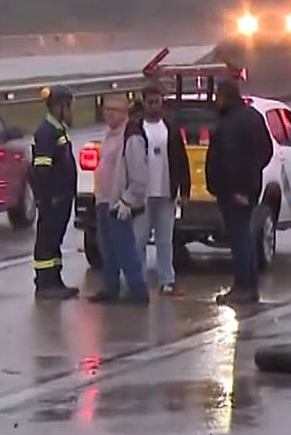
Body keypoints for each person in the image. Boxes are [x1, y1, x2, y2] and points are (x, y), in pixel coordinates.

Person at [203, 78, 274, 306]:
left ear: (224, 96)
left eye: (217, 95)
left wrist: (236, 188)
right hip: (251, 187)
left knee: (240, 239)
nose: (216, 100)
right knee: (245, 237)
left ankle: (243, 287)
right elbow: (266, 151)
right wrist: (253, 178)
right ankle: (248, 286)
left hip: (234, 190)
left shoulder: (230, 122)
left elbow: (230, 158)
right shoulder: (253, 117)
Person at [89, 97, 151, 304]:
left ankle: (138, 290)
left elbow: (139, 174)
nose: (110, 114)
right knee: (107, 248)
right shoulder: (109, 135)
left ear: (125, 112)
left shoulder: (131, 137)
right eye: (107, 110)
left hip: (119, 202)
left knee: (125, 247)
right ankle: (110, 287)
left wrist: (128, 200)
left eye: (114, 110)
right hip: (104, 200)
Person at [135, 85, 192, 295]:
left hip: (166, 192)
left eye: (157, 101)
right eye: (150, 102)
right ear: (144, 103)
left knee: (165, 240)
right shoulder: (136, 128)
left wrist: (184, 190)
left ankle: (167, 280)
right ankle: (138, 280)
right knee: (139, 238)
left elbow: (181, 159)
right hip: (142, 195)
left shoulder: (170, 127)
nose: (154, 106)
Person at [30, 85, 80, 300]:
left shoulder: (58, 128)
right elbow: (42, 169)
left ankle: (55, 280)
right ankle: (44, 283)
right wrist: (48, 197)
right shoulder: (47, 132)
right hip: (53, 199)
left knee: (55, 240)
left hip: (61, 197)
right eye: (68, 106)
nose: (71, 112)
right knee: (47, 240)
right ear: (59, 107)